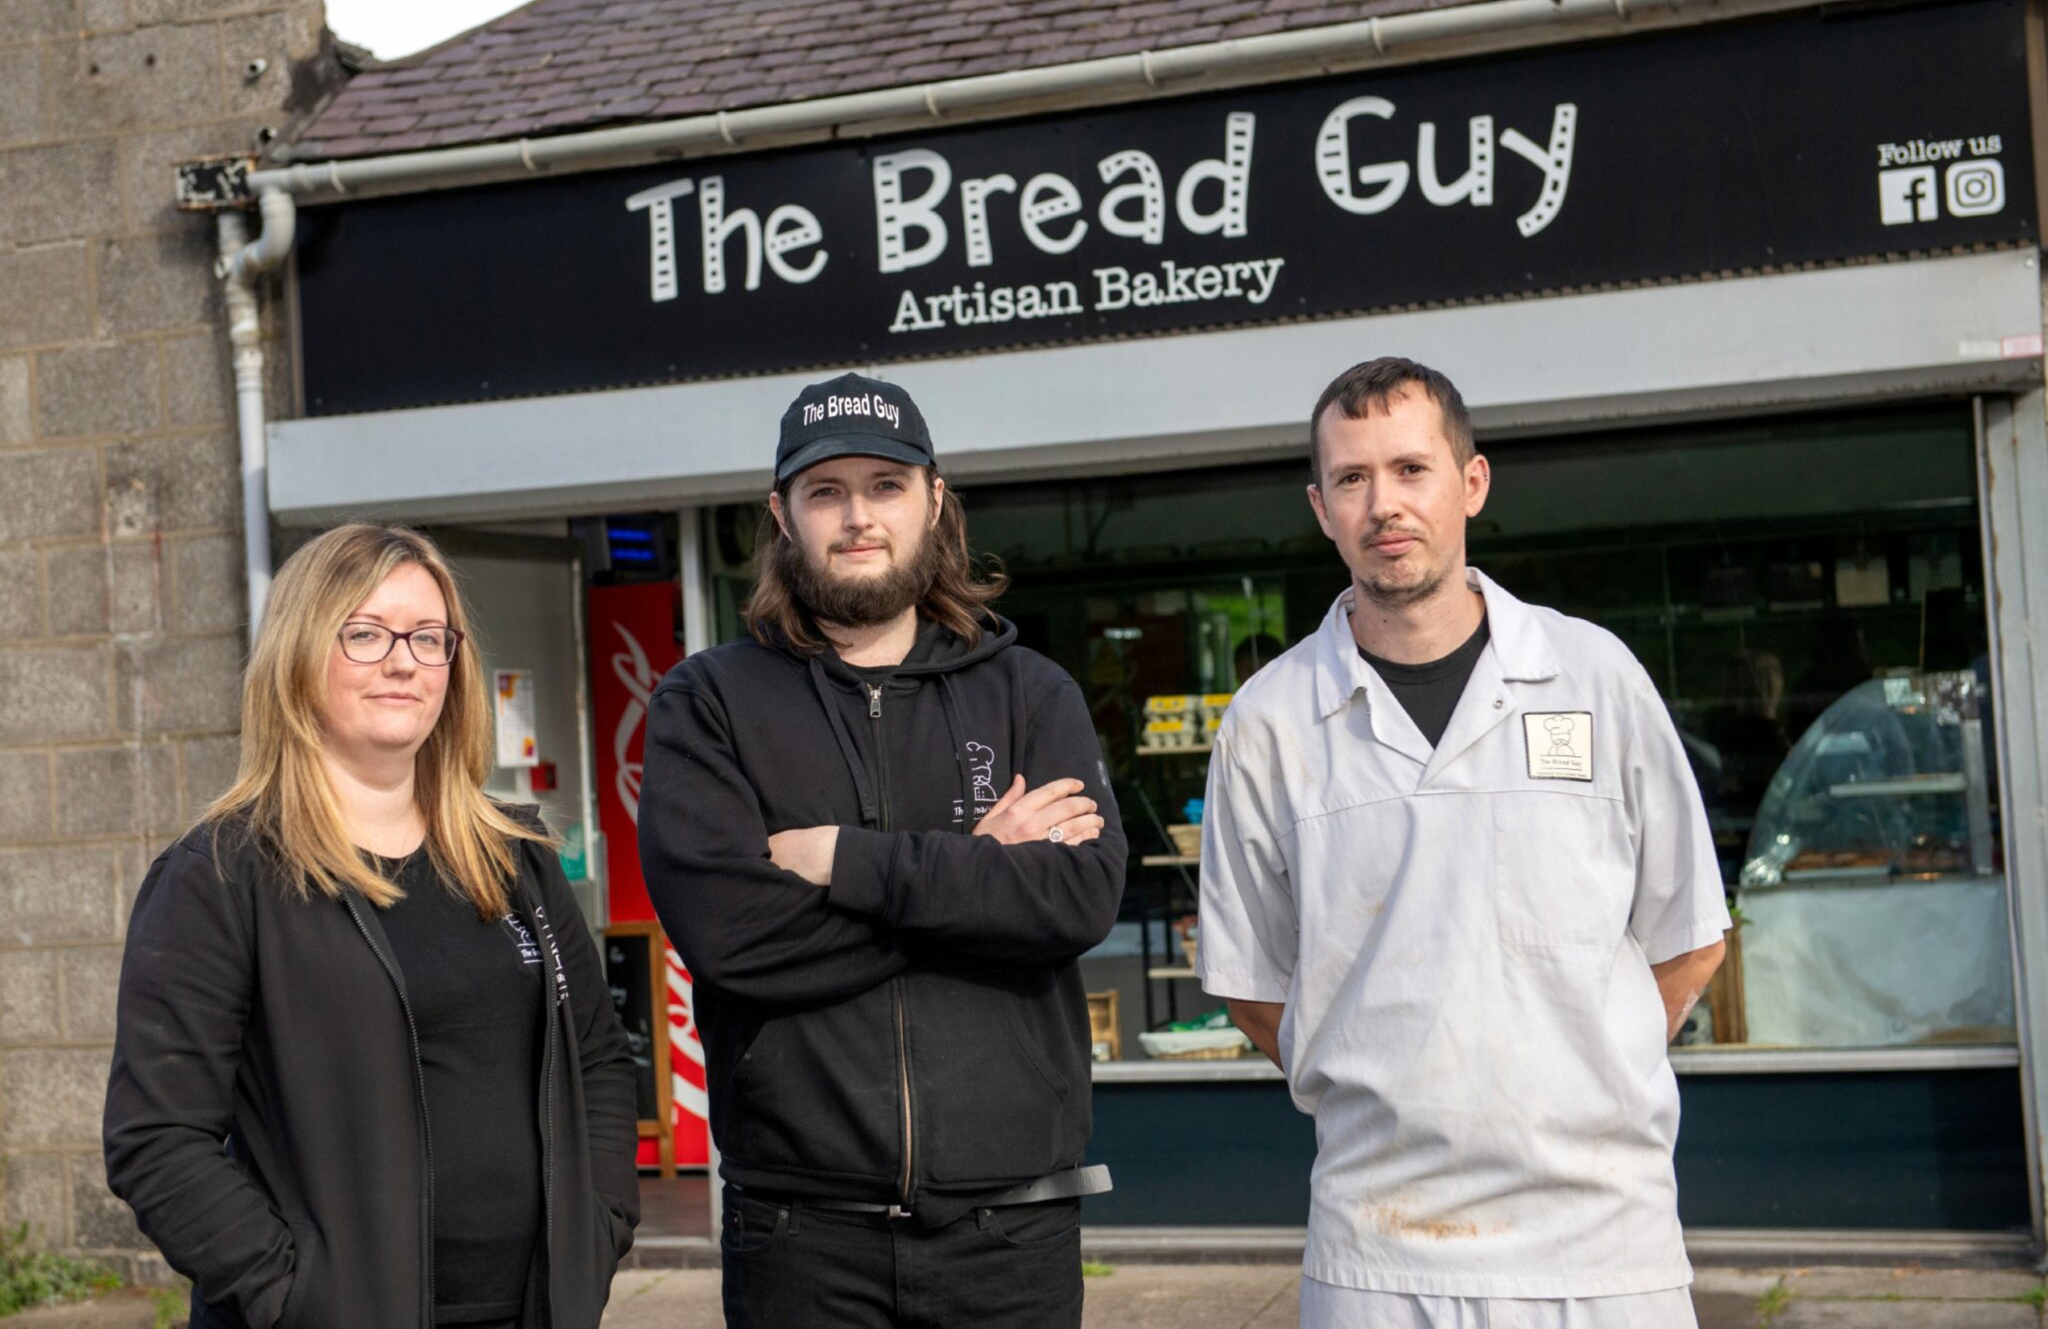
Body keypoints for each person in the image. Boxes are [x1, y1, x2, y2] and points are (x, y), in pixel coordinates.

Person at [1197, 358, 1729, 1328]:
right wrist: (1394, 1076)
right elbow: (1254, 984)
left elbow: (1690, 934)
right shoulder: (1269, 722)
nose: (1383, 505)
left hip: (1606, 1242)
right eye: (1352, 479)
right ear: (1320, 509)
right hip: (1377, 1251)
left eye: (1411, 469)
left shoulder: (1593, 675)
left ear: (1471, 482)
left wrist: (1581, 1065)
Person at [638, 372, 1126, 1328]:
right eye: (826, 491)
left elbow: (1076, 900)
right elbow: (736, 942)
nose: (859, 517)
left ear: (934, 501)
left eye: (886, 486)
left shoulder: (1030, 693)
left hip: (1012, 1232)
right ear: (782, 514)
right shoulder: (708, 703)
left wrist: (846, 861)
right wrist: (976, 868)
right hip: (799, 1235)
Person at [104, 523, 639, 1329]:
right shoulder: (220, 875)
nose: (403, 661)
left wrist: (595, 1234)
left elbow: (595, 1059)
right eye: (365, 634)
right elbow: (158, 1138)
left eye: (428, 637)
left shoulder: (513, 858)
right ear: (298, 653)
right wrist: (294, 1297)